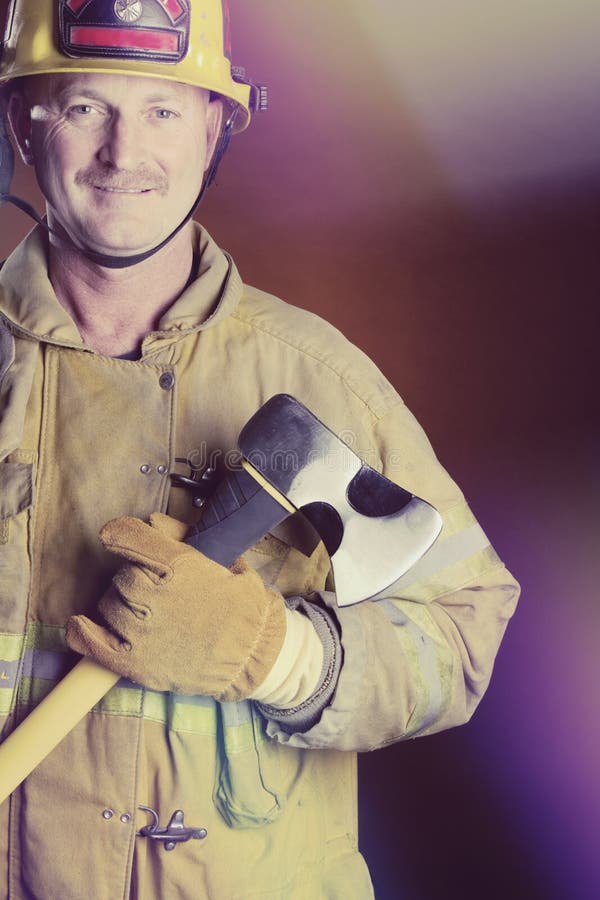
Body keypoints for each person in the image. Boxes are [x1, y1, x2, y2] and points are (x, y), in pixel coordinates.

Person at [0, 1, 520, 897]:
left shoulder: (319, 378)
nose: (126, 154)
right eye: (87, 106)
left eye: (164, 110)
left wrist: (277, 656)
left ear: (215, 129)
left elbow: (464, 638)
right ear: (23, 123)